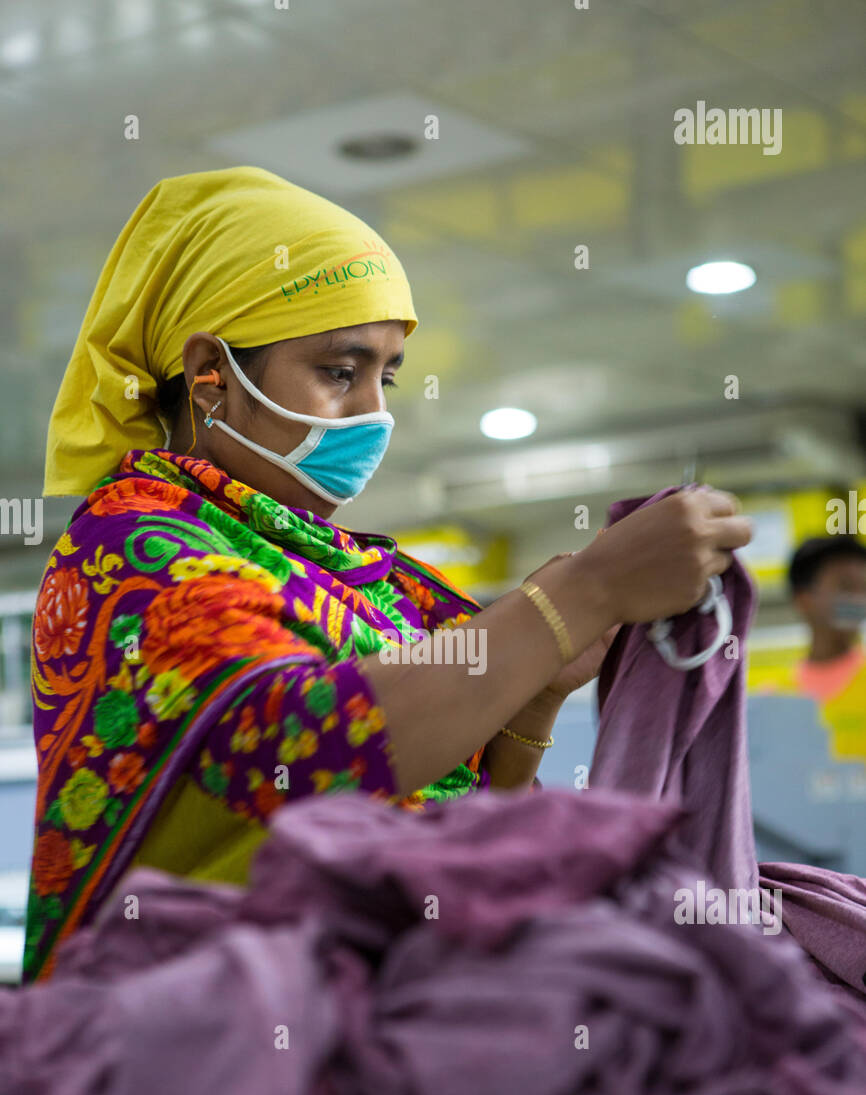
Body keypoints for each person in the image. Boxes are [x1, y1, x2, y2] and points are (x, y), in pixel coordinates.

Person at [25, 166, 752, 982]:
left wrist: (538, 692)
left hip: (363, 1019)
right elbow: (313, 752)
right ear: (210, 375)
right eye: (341, 371)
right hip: (195, 1040)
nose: (374, 410)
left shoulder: (361, 584)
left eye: (387, 375)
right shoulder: (133, 553)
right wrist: (577, 596)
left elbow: (453, 838)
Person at [788, 535, 866, 701]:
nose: (860, 600)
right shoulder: (778, 696)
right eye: (846, 587)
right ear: (804, 599)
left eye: (865, 588)